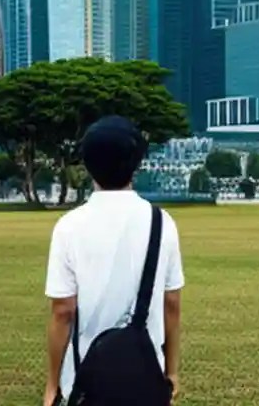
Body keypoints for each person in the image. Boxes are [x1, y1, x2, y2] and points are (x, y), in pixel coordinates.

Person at [43, 115, 184, 406]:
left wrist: (52, 385)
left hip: (85, 381)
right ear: (136, 163)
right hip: (147, 376)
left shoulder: (69, 226)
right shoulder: (162, 222)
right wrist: (171, 373)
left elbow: (62, 312)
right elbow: (172, 304)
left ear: (87, 163)